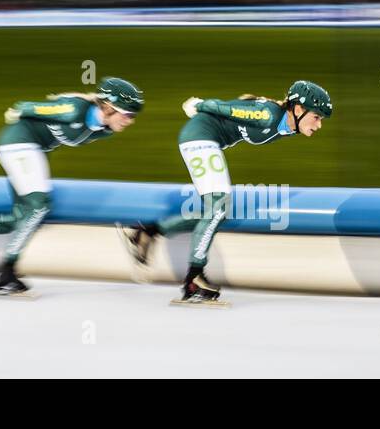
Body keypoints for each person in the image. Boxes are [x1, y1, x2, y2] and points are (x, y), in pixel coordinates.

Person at [120, 80, 332, 305]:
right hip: (200, 136)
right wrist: (200, 105)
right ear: (298, 110)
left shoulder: (288, 125)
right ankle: (193, 280)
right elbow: (224, 107)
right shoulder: (268, 116)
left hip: (207, 139)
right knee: (219, 207)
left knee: (218, 212)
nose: (319, 125)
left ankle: (149, 232)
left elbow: (244, 104)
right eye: (317, 117)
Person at [0, 77, 144, 296]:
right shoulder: (73, 109)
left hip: (34, 150)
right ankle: (7, 273)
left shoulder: (105, 131)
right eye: (128, 114)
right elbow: (22, 107)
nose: (131, 121)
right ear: (109, 108)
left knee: (21, 217)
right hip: (18, 142)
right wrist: (19, 115)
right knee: (39, 206)